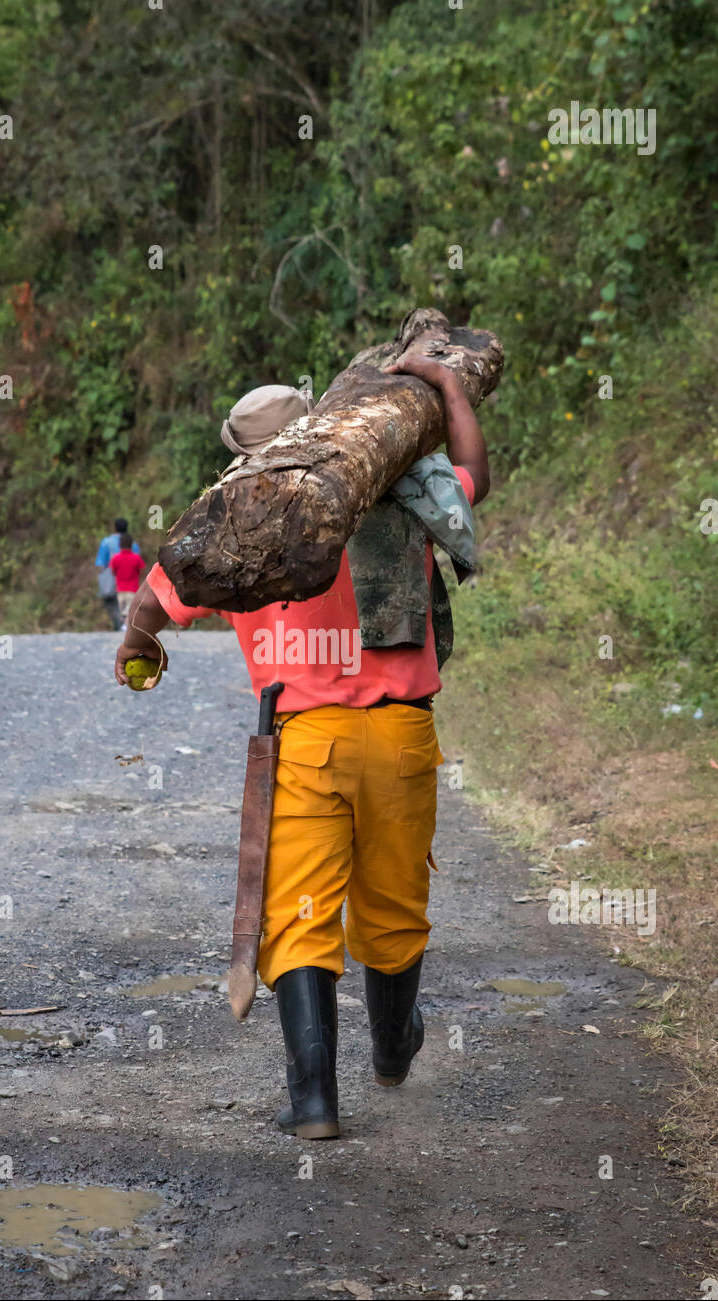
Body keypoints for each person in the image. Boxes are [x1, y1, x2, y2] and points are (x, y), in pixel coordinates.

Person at [115, 358, 489, 1139]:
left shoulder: (232, 524)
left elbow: (151, 605)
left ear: (242, 455)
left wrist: (139, 646)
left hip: (304, 742)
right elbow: (473, 479)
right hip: (401, 735)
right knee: (393, 909)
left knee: (299, 913)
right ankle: (392, 1050)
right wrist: (451, 389)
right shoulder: (399, 492)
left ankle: (316, 1101)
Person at [95, 518, 141, 630]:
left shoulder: (106, 542)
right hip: (131, 582)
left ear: (114, 528)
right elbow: (138, 563)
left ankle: (119, 626)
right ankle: (127, 626)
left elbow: (100, 564)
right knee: (129, 606)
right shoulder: (133, 544)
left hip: (113, 581)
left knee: (113, 605)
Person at [109, 532, 144, 629]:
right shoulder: (136, 558)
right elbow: (141, 570)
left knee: (122, 609)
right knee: (130, 609)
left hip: (120, 589)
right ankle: (127, 625)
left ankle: (124, 625)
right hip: (133, 589)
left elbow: (113, 572)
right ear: (131, 544)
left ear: (119, 545)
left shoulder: (115, 558)